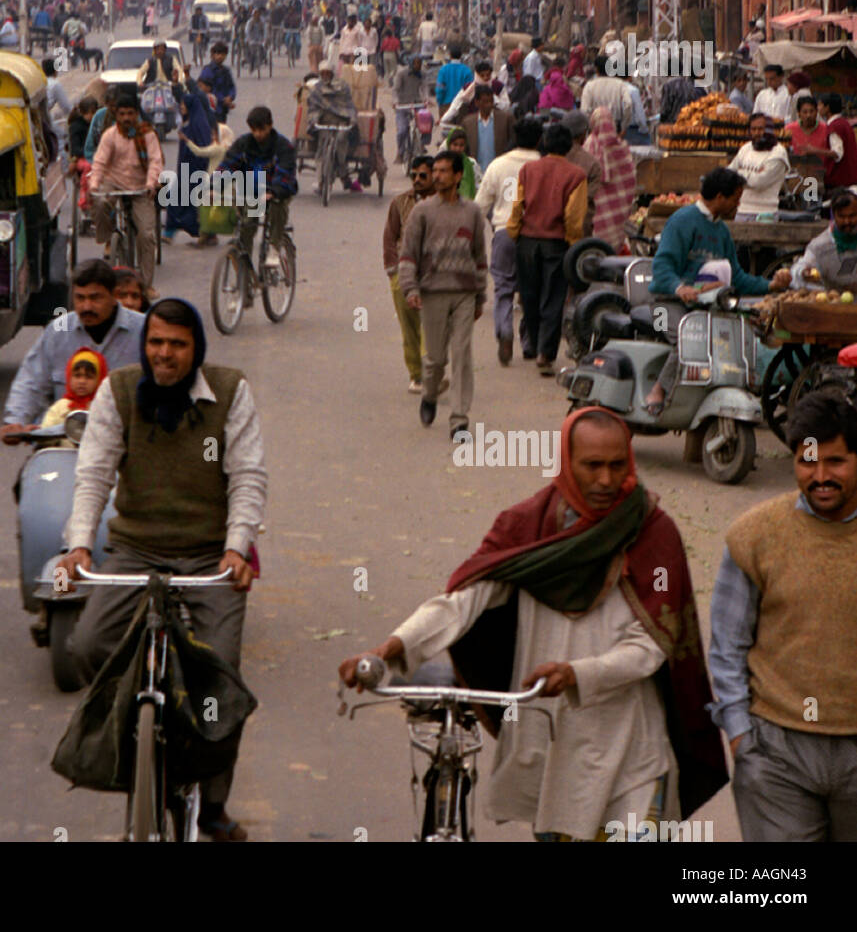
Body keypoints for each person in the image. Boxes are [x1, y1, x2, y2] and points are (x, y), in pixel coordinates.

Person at [338, 407, 728, 842]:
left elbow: (652, 647)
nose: (606, 480)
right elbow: (462, 603)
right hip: (550, 744)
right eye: (592, 466)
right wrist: (393, 646)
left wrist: (576, 673)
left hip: (631, 749)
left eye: (617, 465)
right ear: (566, 461)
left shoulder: (654, 534)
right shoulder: (526, 527)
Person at [57, 298, 268, 842]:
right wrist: (79, 547)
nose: (163, 354)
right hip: (135, 553)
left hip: (207, 558)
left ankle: (214, 803)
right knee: (87, 647)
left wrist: (237, 548)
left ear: (196, 348)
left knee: (218, 677)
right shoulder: (120, 390)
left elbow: (247, 476)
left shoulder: (230, 391)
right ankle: (136, 753)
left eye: (177, 344)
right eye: (155, 342)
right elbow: (94, 472)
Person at [709, 388, 857, 841]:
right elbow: (727, 646)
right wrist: (741, 739)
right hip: (776, 755)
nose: (820, 476)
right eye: (806, 462)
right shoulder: (755, 536)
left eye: (835, 462)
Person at [644, 168, 789, 414]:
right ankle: (659, 388)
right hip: (666, 304)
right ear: (720, 197)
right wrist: (680, 288)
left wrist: (771, 286)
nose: (738, 204)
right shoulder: (682, 221)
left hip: (708, 305)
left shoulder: (721, 231)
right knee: (691, 338)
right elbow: (662, 267)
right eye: (736, 198)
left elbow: (737, 277)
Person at [1, 259, 145, 439]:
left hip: (123, 443)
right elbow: (32, 380)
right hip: (63, 441)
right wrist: (15, 422)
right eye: (80, 298)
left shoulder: (143, 330)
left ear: (113, 296)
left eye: (95, 298)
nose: (86, 307)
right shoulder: (58, 330)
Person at [398, 150, 486, 439]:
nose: (436, 176)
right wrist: (410, 288)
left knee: (461, 354)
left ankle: (459, 419)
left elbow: (480, 257)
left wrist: (480, 296)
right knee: (435, 360)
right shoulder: (422, 212)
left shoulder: (472, 212)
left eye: (443, 171)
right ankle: (430, 394)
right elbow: (408, 254)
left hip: (464, 293)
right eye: (434, 171)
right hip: (432, 292)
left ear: (458, 176)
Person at [506, 122, 587, 374]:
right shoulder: (576, 175)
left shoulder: (528, 170)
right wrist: (574, 246)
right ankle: (545, 352)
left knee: (529, 296)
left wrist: (514, 231)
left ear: (544, 142)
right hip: (556, 243)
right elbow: (574, 218)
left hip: (527, 241)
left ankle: (532, 342)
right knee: (552, 299)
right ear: (570, 146)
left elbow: (517, 204)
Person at [476, 115, 543, 367]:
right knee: (531, 290)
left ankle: (504, 330)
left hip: (504, 232)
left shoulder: (498, 165)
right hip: (535, 236)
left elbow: (480, 206)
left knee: (503, 287)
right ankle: (528, 343)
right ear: (539, 139)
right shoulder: (544, 165)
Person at [89, 90, 163, 300]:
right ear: (117, 115)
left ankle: (146, 284)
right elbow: (100, 163)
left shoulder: (148, 134)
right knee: (100, 201)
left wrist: (150, 184)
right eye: (122, 114)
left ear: (136, 113)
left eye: (130, 113)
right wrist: (94, 184)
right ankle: (107, 238)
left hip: (141, 187)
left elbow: (155, 162)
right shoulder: (109, 135)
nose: (126, 118)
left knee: (147, 235)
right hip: (114, 183)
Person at [218, 105, 298, 272]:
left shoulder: (283, 146)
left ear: (270, 125)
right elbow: (228, 165)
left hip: (277, 190)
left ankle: (275, 248)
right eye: (254, 130)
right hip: (252, 192)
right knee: (246, 225)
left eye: (261, 129)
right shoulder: (244, 144)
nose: (258, 134)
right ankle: (245, 277)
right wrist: (214, 187)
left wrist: (273, 191)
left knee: (277, 206)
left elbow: (285, 173)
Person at [384, 154, 434, 394]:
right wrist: (393, 272)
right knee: (409, 328)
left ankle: (430, 367)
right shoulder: (399, 203)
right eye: (413, 175)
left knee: (432, 323)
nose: (417, 180)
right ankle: (417, 375)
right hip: (404, 275)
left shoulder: (445, 204)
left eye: (423, 176)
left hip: (435, 275)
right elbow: (389, 238)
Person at [164, 80, 217, 244]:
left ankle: (206, 233)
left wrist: (187, 141)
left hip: (196, 171)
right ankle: (169, 232)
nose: (181, 106)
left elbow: (203, 149)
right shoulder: (187, 122)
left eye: (184, 104)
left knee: (191, 205)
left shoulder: (199, 124)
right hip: (185, 170)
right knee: (176, 199)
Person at [583, 107, 636, 252]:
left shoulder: (589, 145)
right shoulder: (622, 148)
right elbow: (630, 179)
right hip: (617, 208)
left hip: (597, 208)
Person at [305, 61, 361, 194]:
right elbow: (312, 108)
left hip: (341, 122)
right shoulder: (316, 89)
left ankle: (342, 170)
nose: (325, 75)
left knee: (341, 142)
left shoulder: (342, 86)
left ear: (332, 73)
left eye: (327, 73)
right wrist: (313, 120)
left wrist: (352, 119)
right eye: (322, 73)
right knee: (320, 150)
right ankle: (320, 182)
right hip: (324, 122)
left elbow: (348, 106)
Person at [790, 190, 857, 291]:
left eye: (852, 216)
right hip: (832, 302)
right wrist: (804, 272)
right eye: (842, 217)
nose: (847, 221)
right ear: (833, 216)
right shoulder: (820, 245)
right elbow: (799, 269)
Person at [729, 113, 790, 216]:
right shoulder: (746, 148)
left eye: (761, 129)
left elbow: (758, 182)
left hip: (766, 213)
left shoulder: (778, 153)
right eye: (753, 129)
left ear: (769, 130)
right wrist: (749, 174)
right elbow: (728, 175)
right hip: (742, 211)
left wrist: (739, 172)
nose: (757, 133)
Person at [40, 348, 108, 430]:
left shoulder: (103, 408)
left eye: (89, 377)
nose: (82, 381)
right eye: (77, 376)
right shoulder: (60, 407)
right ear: (69, 377)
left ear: (99, 380)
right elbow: (46, 433)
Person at [562, 110, 602, 234]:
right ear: (583, 134)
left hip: (551, 227)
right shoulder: (592, 164)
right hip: (580, 229)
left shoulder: (552, 157)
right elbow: (588, 197)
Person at [461, 85, 512, 175]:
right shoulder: (468, 123)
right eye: (485, 102)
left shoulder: (505, 119)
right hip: (476, 173)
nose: (489, 105)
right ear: (476, 102)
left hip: (499, 171)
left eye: (491, 101)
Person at [390, 54, 432, 159]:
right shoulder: (401, 74)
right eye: (416, 63)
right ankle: (400, 152)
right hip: (402, 105)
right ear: (411, 63)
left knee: (429, 120)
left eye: (420, 63)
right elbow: (395, 90)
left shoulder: (422, 73)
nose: (418, 65)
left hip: (417, 103)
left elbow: (424, 87)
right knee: (402, 130)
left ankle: (422, 143)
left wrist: (426, 98)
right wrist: (395, 102)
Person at [817, 93, 857, 189]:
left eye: (820, 105)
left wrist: (814, 150)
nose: (818, 108)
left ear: (827, 108)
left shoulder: (835, 126)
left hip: (840, 179)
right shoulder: (844, 123)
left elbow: (837, 153)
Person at [784, 93, 832, 163]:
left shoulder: (826, 129)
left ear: (816, 112)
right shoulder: (789, 129)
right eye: (805, 112)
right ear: (799, 113)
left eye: (811, 111)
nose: (808, 115)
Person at [199, 41, 237, 124]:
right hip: (210, 110)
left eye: (223, 54)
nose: (220, 56)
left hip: (222, 111)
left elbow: (232, 87)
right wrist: (223, 99)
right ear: (213, 55)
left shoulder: (226, 71)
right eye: (218, 53)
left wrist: (230, 97)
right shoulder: (207, 70)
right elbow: (208, 90)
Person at [442, 127, 481, 200]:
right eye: (455, 145)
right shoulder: (442, 164)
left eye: (461, 145)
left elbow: (478, 187)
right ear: (449, 144)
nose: (458, 148)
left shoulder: (471, 163)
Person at [434, 44, 473, 111]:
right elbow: (470, 89)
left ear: (450, 55)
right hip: (462, 106)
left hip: (446, 105)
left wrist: (440, 102)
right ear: (461, 56)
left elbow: (440, 89)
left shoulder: (443, 70)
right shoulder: (467, 70)